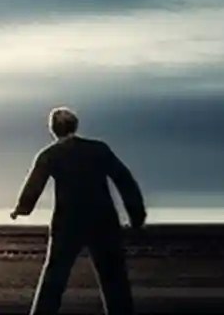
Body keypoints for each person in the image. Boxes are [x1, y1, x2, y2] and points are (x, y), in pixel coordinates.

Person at [10, 107, 146, 315]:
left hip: (68, 222)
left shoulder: (50, 155)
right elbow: (123, 179)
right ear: (76, 125)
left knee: (54, 279)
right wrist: (136, 215)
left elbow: (34, 185)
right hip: (103, 220)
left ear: (53, 130)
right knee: (114, 278)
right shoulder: (99, 149)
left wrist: (22, 209)